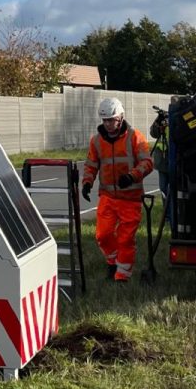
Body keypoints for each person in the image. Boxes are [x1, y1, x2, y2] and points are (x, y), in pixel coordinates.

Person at [79, 97, 154, 282]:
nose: (108, 124)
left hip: (130, 198)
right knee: (103, 235)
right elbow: (91, 164)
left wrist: (132, 176)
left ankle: (122, 276)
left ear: (120, 117)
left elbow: (148, 162)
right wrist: (87, 182)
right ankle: (112, 262)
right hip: (107, 198)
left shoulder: (135, 137)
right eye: (105, 120)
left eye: (111, 120)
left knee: (125, 239)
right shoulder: (96, 141)